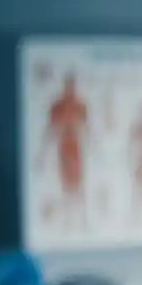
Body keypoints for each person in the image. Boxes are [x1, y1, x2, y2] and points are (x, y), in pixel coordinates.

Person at [37, 72, 90, 230]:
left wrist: (97, 150)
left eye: (72, 86)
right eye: (68, 86)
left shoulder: (80, 105)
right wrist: (42, 154)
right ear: (64, 86)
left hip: (76, 147)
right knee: (66, 185)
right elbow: (50, 130)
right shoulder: (57, 106)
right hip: (64, 148)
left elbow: (88, 129)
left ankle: (83, 220)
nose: (70, 89)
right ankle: (67, 221)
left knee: (79, 185)